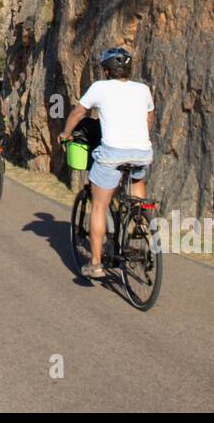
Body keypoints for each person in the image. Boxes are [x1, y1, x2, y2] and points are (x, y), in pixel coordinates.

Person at [58, 47, 154, 279]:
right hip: (142, 151)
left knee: (99, 205)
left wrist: (65, 134)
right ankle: (143, 232)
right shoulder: (143, 89)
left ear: (107, 69)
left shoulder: (100, 87)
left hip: (112, 152)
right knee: (137, 191)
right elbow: (149, 117)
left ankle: (96, 263)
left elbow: (78, 113)